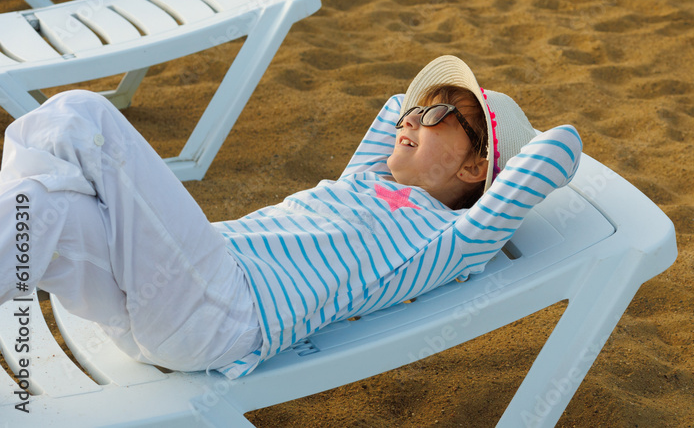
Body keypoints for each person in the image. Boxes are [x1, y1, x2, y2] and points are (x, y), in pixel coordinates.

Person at [0, 55, 581, 378]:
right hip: (159, 308)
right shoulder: (366, 181)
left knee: (80, 114)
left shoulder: (451, 238)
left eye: (436, 116)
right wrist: (419, 117)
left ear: (478, 169)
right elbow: (388, 111)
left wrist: (495, 139)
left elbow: (559, 147)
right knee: (47, 209)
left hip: (225, 308)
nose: (409, 119)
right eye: (414, 111)